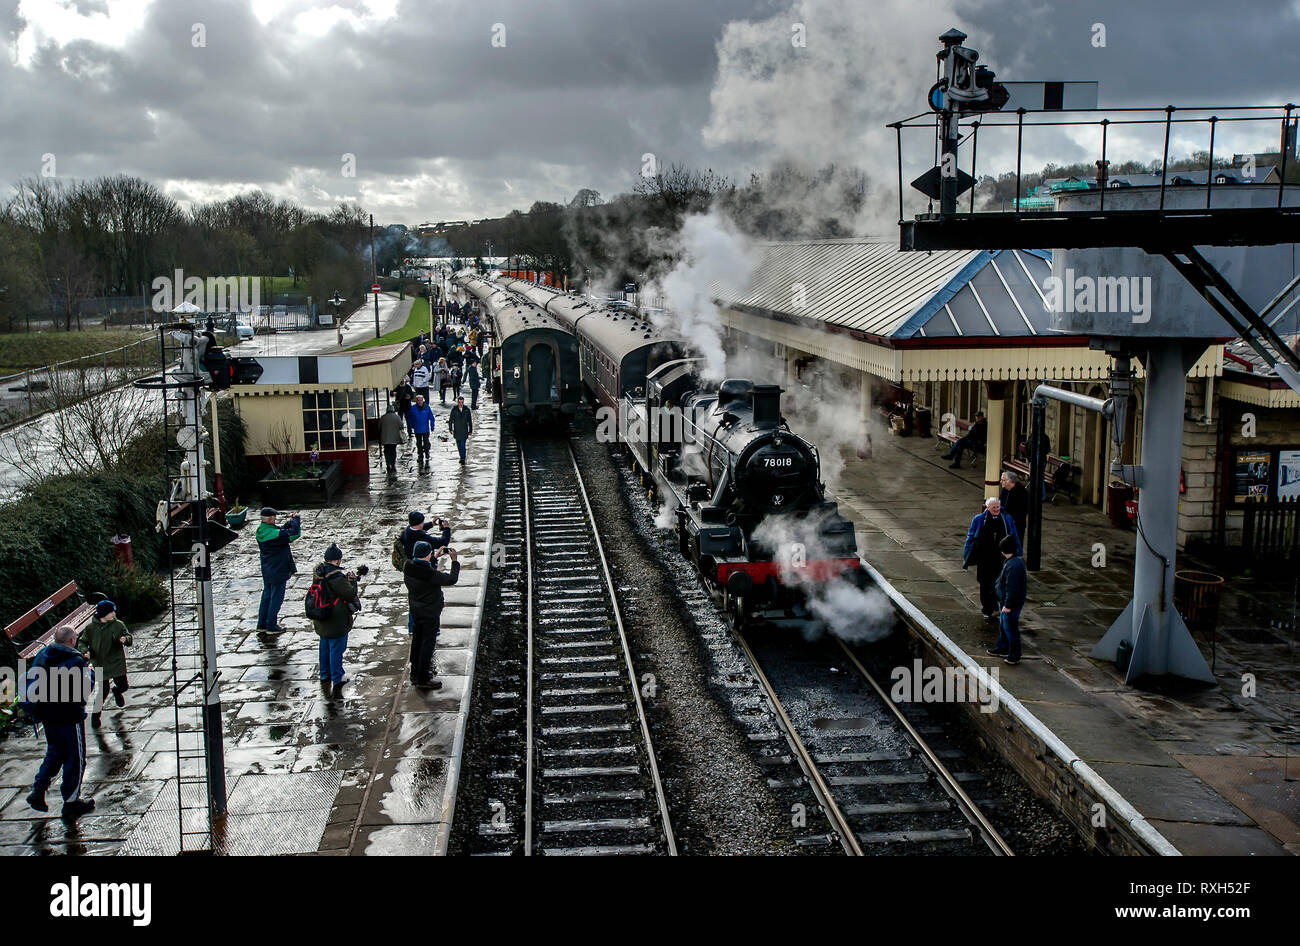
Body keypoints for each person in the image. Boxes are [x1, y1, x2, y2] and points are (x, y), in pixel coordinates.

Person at [25, 624, 96, 820]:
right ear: (73, 641)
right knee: (76, 757)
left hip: (47, 715)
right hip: (69, 717)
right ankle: (71, 802)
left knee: (55, 752)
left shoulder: (43, 654)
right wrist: (90, 672)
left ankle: (38, 789)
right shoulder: (76, 661)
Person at [403, 541, 460, 689]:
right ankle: (423, 679)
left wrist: (434, 557)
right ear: (426, 555)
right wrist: (454, 561)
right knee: (428, 644)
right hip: (430, 613)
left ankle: (414, 673)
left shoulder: (408, 566)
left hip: (416, 610)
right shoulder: (430, 574)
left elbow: (421, 567)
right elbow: (451, 579)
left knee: (417, 642)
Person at [310, 543, 361, 697]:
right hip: (335, 619)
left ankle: (325, 674)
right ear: (337, 560)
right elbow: (349, 594)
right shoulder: (336, 576)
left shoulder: (320, 572)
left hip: (322, 618)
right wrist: (352, 581)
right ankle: (337, 677)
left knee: (324, 646)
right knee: (336, 648)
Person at [962, 497, 1021, 623]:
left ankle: (996, 606)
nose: (996, 509)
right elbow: (971, 537)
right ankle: (987, 610)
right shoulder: (979, 519)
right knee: (985, 584)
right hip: (984, 558)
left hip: (1000, 558)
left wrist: (1017, 551)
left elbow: (1014, 535)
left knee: (1000, 583)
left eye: (998, 507)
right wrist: (966, 554)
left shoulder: (1007, 519)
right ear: (987, 508)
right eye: (993, 507)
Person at [79, 600, 131, 729]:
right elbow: (82, 642)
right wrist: (85, 651)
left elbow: (128, 636)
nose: (114, 613)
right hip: (99, 663)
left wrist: (126, 639)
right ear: (103, 614)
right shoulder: (90, 629)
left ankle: (117, 691)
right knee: (103, 691)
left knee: (123, 686)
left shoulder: (118, 625)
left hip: (116, 662)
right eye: (111, 612)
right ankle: (95, 717)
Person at [256, 508, 301, 633]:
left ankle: (262, 624)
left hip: (267, 569)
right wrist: (296, 520)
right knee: (276, 598)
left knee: (266, 597)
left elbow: (279, 531)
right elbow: (294, 533)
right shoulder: (274, 535)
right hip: (278, 569)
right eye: (274, 518)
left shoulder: (262, 530)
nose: (275, 519)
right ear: (270, 519)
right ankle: (271, 625)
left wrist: (288, 523)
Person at [988, 535, 1027, 666]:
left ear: (1003, 550)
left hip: (1009, 604)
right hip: (1005, 601)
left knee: (1010, 628)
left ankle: (1015, 655)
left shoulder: (1013, 565)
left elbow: (1012, 588)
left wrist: (1008, 605)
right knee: (1004, 627)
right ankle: (1003, 647)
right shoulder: (1014, 562)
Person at [999, 470, 1029, 543]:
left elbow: (1023, 509)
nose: (1000, 481)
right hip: (1005, 521)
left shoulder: (1022, 492)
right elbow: (1001, 502)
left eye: (1003, 480)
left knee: (1016, 543)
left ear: (1010, 481)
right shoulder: (1004, 490)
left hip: (1016, 524)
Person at [379, 401, 405, 479]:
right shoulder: (397, 417)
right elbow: (401, 426)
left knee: (386, 451)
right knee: (393, 450)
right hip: (394, 438)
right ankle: (393, 464)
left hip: (385, 438)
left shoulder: (383, 417)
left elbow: (379, 427)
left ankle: (388, 464)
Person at [408, 394, 435, 467]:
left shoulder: (427, 407)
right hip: (417, 429)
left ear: (423, 400)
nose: (420, 402)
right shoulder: (413, 408)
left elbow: (431, 417)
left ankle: (427, 453)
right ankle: (420, 455)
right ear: (416, 401)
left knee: (426, 442)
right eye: (418, 400)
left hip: (425, 429)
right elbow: (409, 418)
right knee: (419, 443)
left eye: (421, 400)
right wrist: (411, 426)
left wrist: (432, 426)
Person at [449, 396, 473, 465]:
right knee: (459, 445)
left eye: (462, 402)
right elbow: (451, 420)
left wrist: (470, 430)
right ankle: (461, 456)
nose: (461, 404)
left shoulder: (466, 410)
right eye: (459, 402)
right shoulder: (454, 410)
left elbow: (470, 421)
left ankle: (463, 458)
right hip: (457, 430)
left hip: (464, 430)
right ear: (458, 402)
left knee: (463, 445)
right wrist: (451, 429)